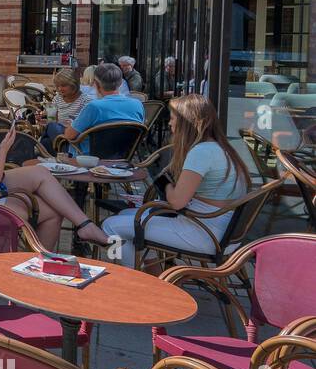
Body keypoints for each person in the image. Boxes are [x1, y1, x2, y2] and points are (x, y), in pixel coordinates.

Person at [0, 95, 114, 253]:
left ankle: (84, 226)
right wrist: (3, 150)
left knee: (40, 172)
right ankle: (41, 262)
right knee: (53, 212)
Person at [102, 94, 249, 267]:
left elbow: (177, 202)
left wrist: (164, 182)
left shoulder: (201, 152)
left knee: (111, 226)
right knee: (125, 216)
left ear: (188, 123)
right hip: (221, 231)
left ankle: (129, 279)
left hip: (204, 233)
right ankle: (153, 277)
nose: (170, 124)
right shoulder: (220, 147)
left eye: (173, 119)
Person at [60, 62, 144, 154]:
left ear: (96, 84)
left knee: (52, 133)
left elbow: (69, 135)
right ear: (120, 83)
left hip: (89, 158)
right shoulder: (138, 105)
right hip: (123, 157)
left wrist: (72, 125)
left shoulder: (94, 107)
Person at [42, 67, 91, 144]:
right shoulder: (57, 98)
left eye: (63, 85)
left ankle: (66, 150)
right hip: (59, 133)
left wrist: (72, 126)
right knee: (47, 139)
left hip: (77, 136)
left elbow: (88, 126)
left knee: (50, 131)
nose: (60, 88)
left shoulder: (86, 100)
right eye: (57, 86)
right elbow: (52, 119)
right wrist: (44, 120)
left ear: (74, 84)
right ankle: (65, 150)